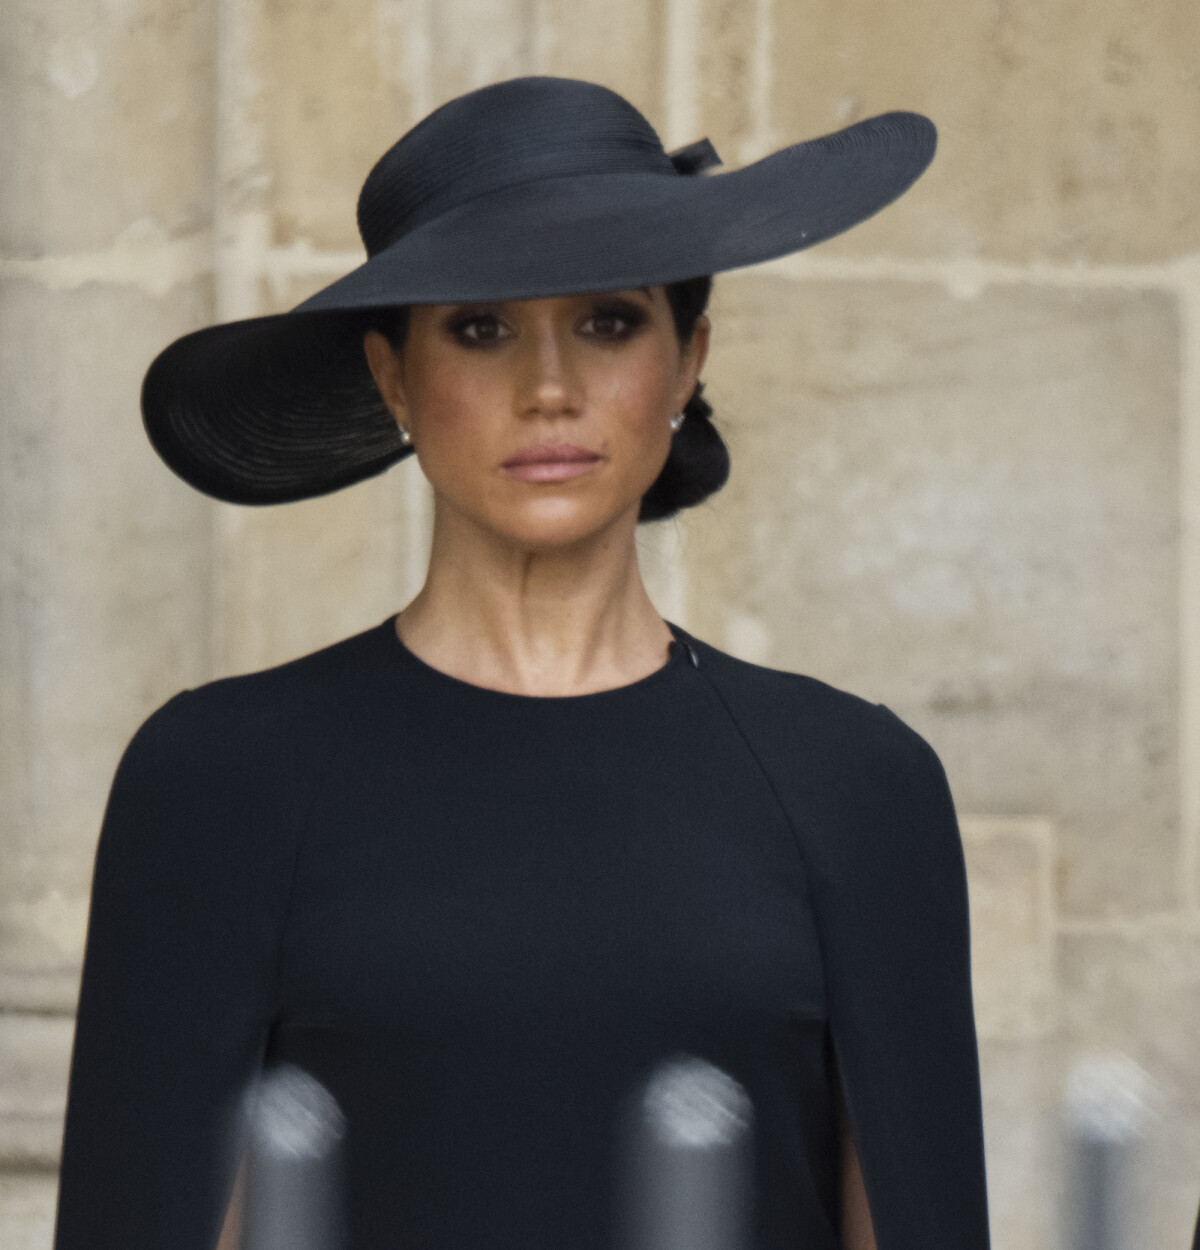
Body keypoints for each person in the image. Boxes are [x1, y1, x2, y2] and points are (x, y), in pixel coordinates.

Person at [54, 77, 989, 1250]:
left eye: (608, 321)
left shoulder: (858, 783)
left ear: (688, 360)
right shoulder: (217, 778)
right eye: (481, 327)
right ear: (394, 376)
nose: (549, 388)